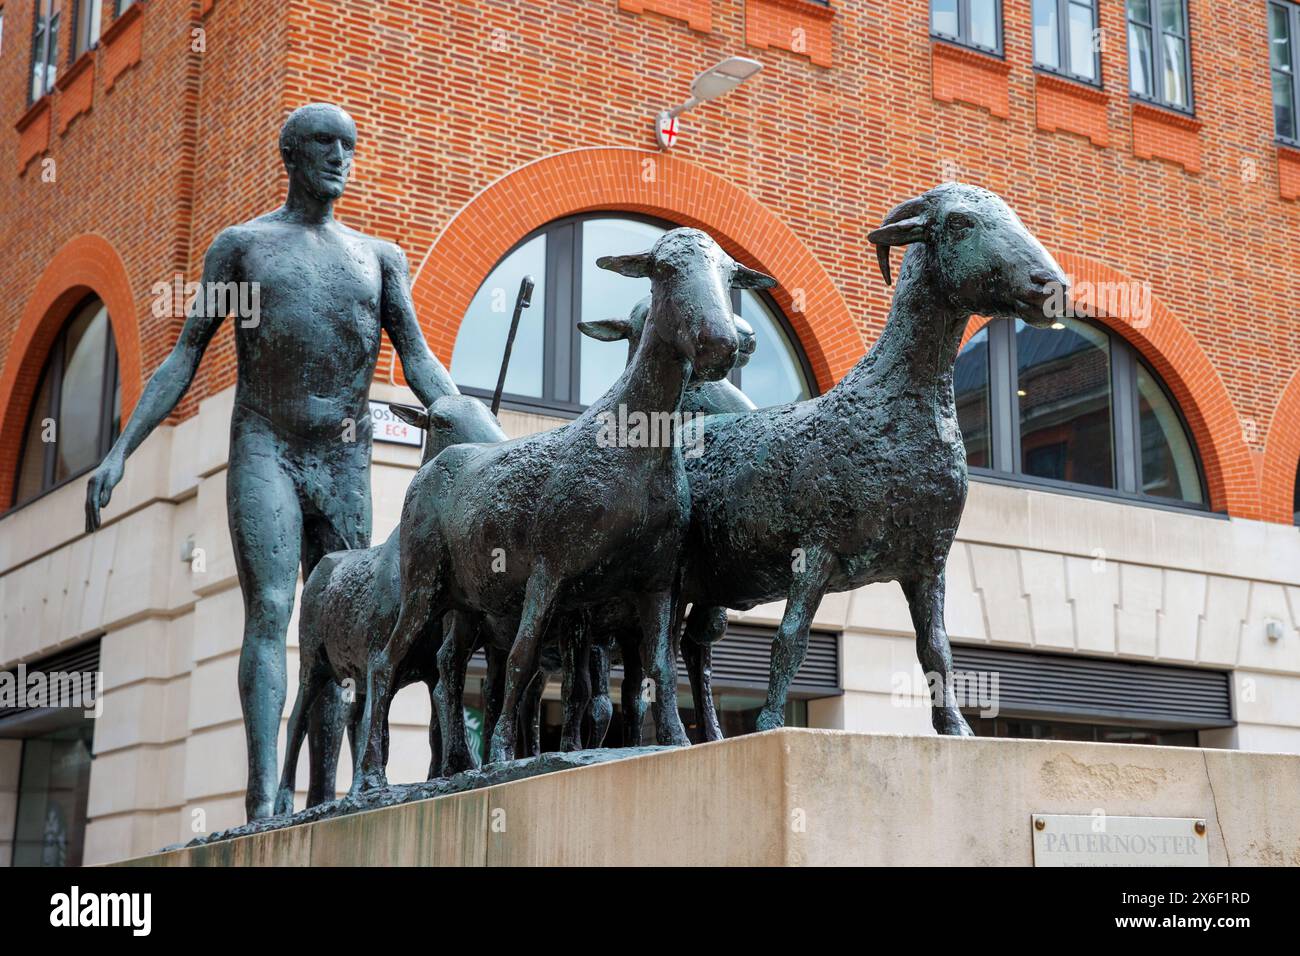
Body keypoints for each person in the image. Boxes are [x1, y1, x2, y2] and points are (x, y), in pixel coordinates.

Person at [85, 103, 457, 820]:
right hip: (267, 448)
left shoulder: (378, 259)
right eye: (324, 143)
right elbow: (186, 353)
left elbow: (418, 360)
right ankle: (263, 802)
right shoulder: (243, 247)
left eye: (349, 145)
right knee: (274, 612)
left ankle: (324, 795)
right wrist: (121, 449)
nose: (340, 158)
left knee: (346, 622)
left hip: (345, 457)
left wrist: (471, 427)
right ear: (289, 154)